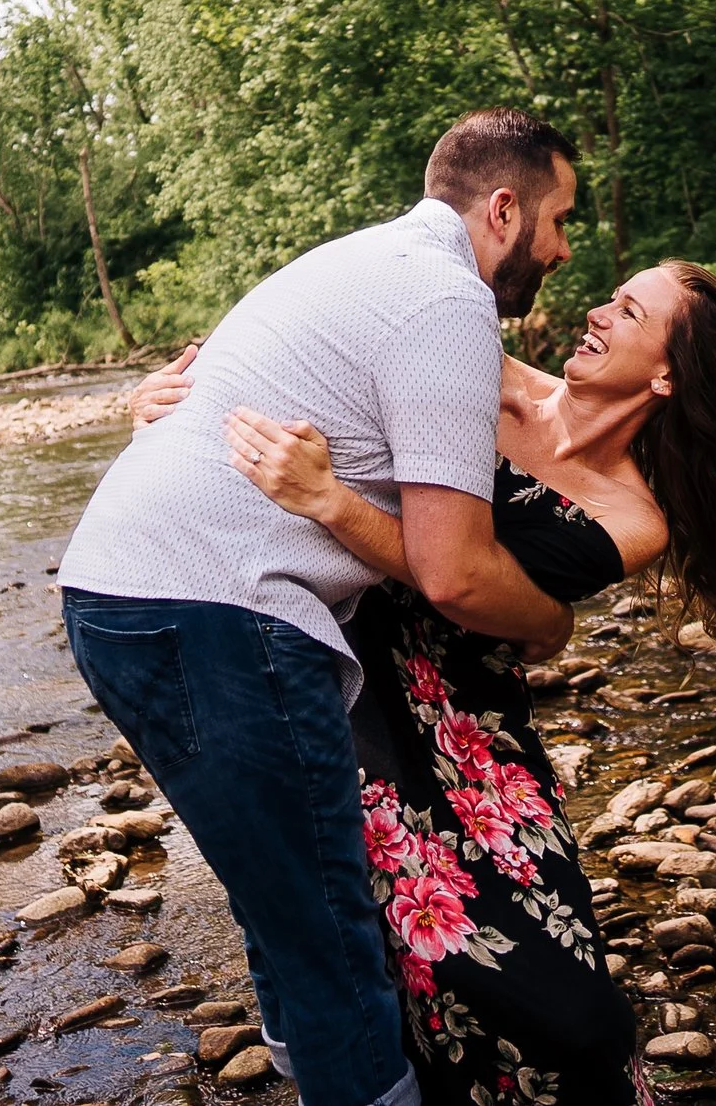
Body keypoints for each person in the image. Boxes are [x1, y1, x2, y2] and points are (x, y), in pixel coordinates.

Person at [134, 261, 716, 1106]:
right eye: (609, 294)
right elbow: (297, 344)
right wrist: (171, 396)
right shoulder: (481, 369)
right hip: (347, 687)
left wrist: (335, 502)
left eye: (626, 310)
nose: (595, 310)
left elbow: (468, 584)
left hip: (479, 736)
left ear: (667, 372)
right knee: (412, 965)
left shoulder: (633, 518)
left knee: (575, 1008)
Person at [58, 108, 586, 1106]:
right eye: (559, 218)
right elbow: (453, 573)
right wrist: (550, 620)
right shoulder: (443, 298)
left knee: (281, 902)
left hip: (117, 592)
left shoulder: (355, 261)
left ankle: (311, 1076)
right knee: (331, 935)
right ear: (504, 207)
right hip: (209, 609)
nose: (562, 247)